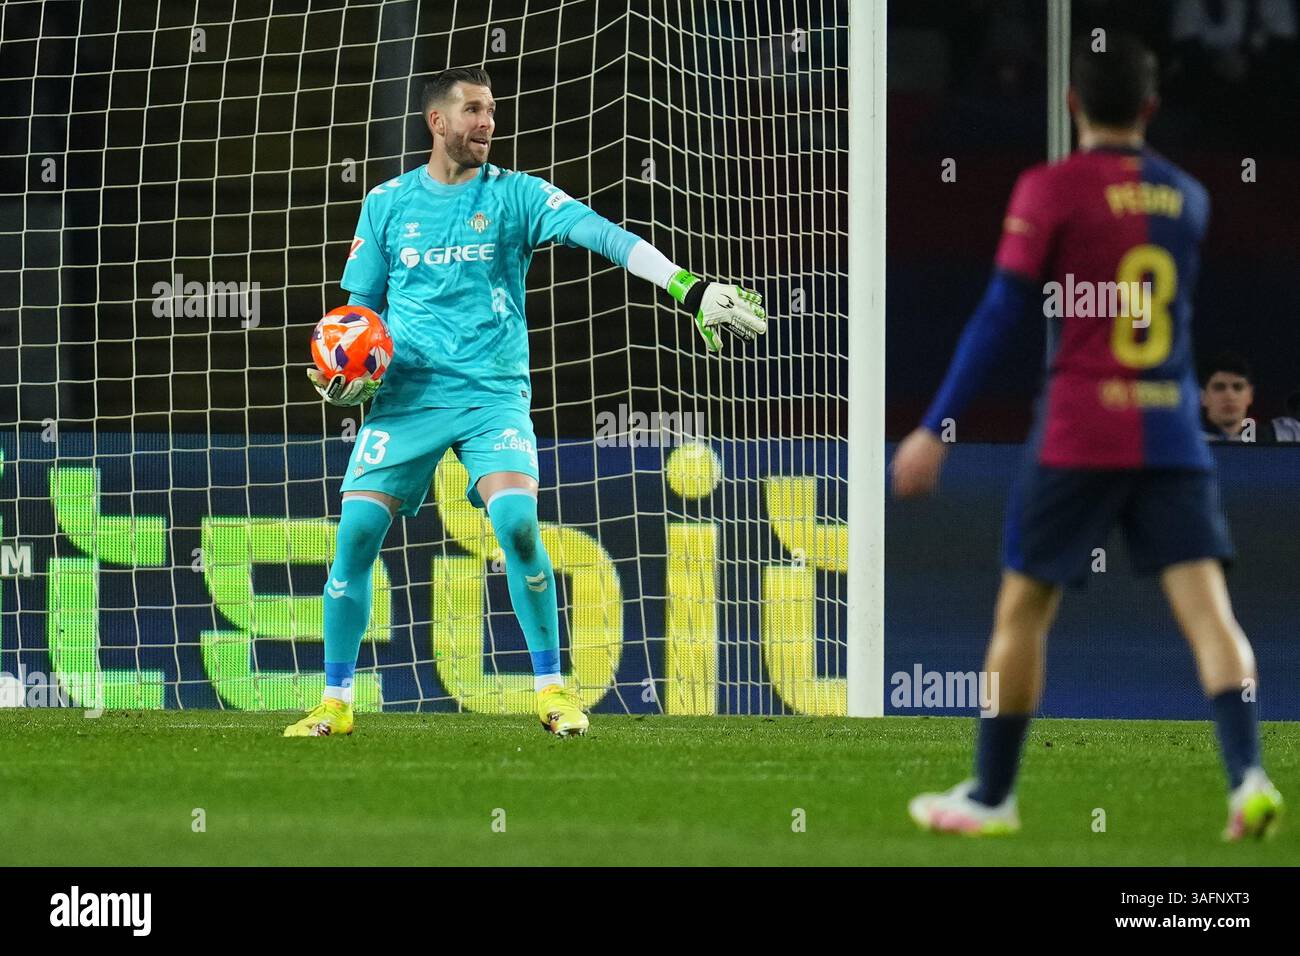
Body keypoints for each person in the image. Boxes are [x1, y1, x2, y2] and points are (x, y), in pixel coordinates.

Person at [286, 67, 767, 737]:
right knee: (356, 538)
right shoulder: (387, 202)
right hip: (406, 399)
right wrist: (343, 365)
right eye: (473, 110)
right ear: (438, 123)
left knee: (515, 524)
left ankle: (552, 689)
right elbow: (359, 312)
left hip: (491, 395)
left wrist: (685, 286)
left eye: (491, 110)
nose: (487, 122)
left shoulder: (515, 195)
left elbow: (603, 233)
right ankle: (335, 703)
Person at [889, 36, 1283, 840]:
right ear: (1151, 107)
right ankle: (1248, 780)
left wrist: (936, 428)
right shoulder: (1190, 199)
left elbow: (1002, 314)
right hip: (1172, 434)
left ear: (1072, 105)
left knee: (1022, 614)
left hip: (1077, 432)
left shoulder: (1051, 188)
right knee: (1211, 616)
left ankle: (993, 796)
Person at [1200, 351, 1277, 442]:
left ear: (1250, 395)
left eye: (1238, 387)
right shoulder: (1185, 442)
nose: (1230, 396)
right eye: (1219, 387)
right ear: (1203, 396)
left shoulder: (1271, 441)